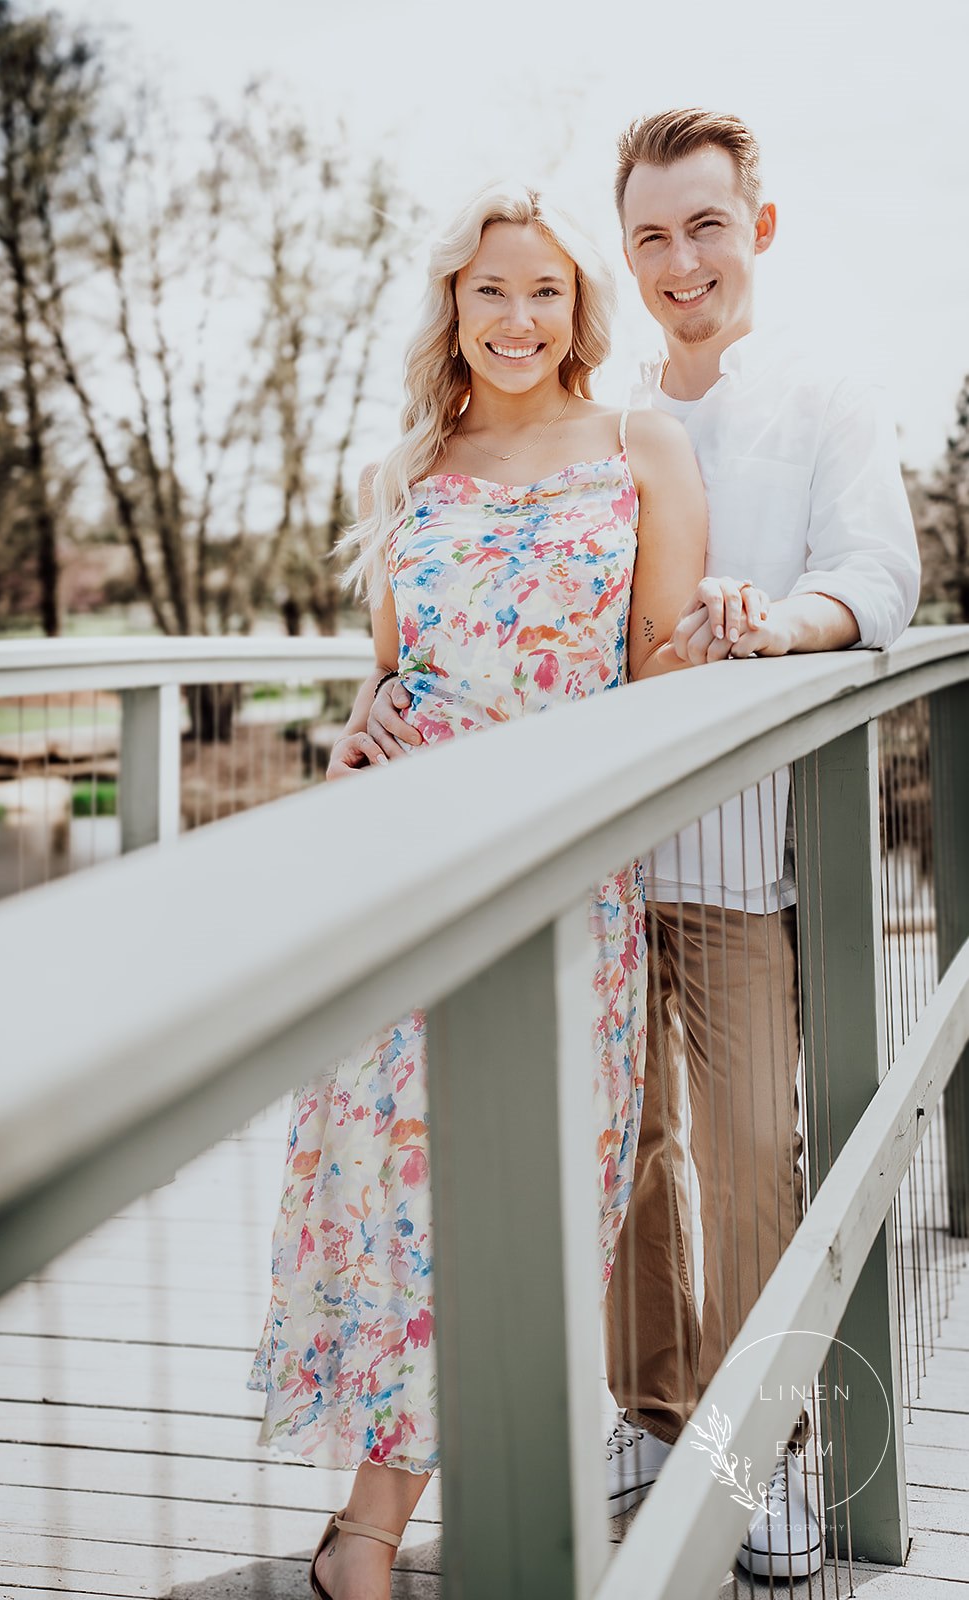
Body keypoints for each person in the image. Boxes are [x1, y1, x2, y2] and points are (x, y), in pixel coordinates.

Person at [364, 113, 921, 1582]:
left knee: (744, 1165)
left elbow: (878, 575)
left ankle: (772, 1455)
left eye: (708, 226)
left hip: (736, 860)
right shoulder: (593, 412)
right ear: (627, 255)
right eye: (655, 236)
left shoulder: (822, 399)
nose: (683, 261)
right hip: (593, 867)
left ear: (760, 230)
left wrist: (781, 620)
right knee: (623, 1173)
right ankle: (663, 1413)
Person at [249, 181, 711, 1600]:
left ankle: (379, 1532)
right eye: (491, 291)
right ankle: (370, 1535)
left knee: (527, 1202)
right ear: (454, 306)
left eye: (546, 293)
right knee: (397, 1204)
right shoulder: (405, 469)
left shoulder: (642, 442)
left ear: (582, 312)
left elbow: (658, 671)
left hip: (572, 878)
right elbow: (396, 675)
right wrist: (358, 724)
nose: (517, 320)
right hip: (411, 869)